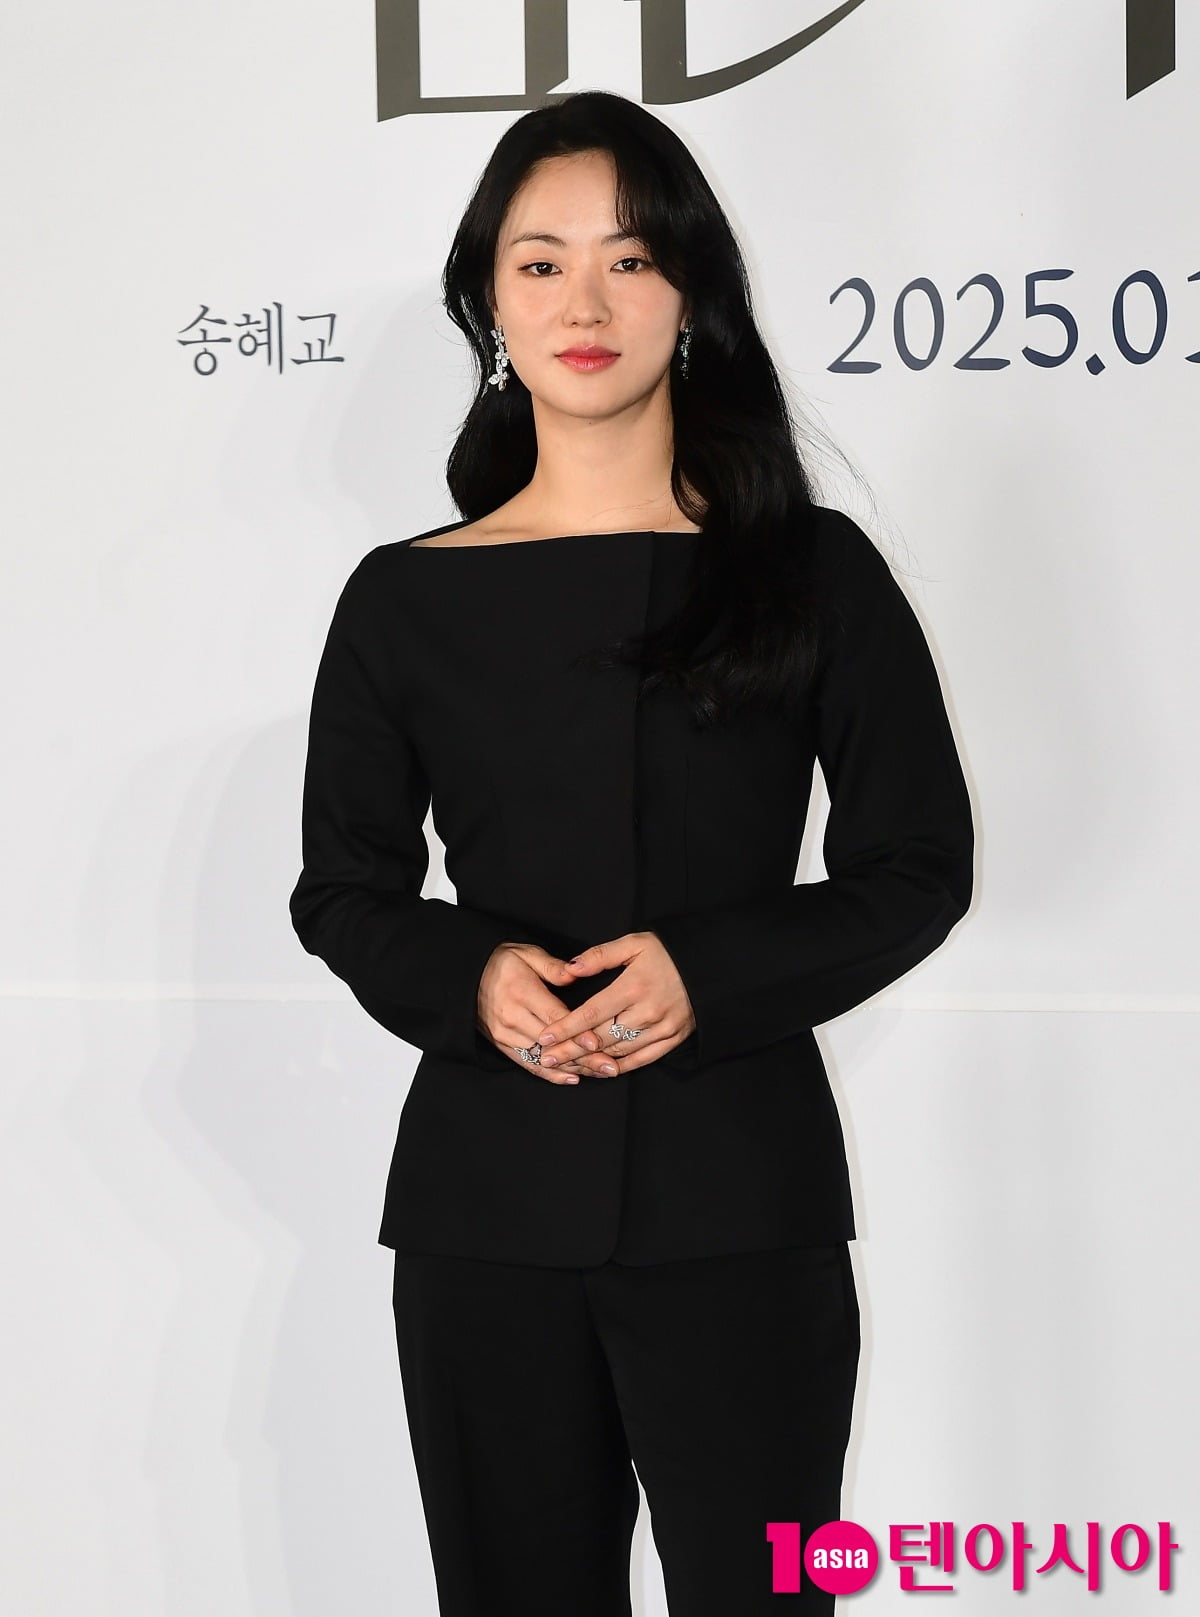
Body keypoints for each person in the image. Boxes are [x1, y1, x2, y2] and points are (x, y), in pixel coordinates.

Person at [289, 89, 974, 1617]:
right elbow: (344, 888)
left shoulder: (813, 570)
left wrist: (707, 974)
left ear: (691, 295)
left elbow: (919, 862)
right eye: (540, 264)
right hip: (484, 1217)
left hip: (743, 1204)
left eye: (629, 260)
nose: (583, 305)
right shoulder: (405, 598)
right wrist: (473, 976)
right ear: (489, 302)